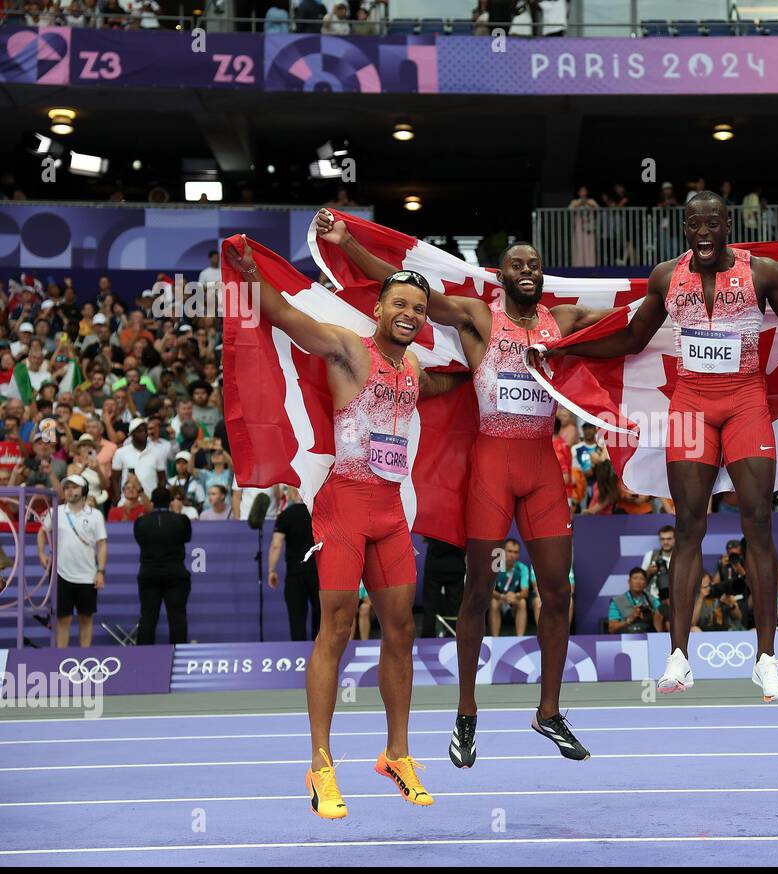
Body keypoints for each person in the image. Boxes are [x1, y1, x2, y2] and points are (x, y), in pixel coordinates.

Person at [534, 190, 778, 704]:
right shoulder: (666, 276)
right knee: (689, 524)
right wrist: (564, 349)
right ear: (686, 228)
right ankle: (679, 658)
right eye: (693, 223)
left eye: (711, 222)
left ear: (726, 226)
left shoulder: (761, 274)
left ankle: (766, 661)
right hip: (692, 405)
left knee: (757, 520)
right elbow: (630, 339)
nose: (702, 231)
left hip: (745, 404)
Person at [317, 209, 608, 764]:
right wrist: (348, 241)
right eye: (515, 263)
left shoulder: (562, 321)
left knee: (558, 591)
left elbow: (629, 322)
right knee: (475, 592)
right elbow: (405, 288)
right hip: (492, 462)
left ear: (543, 274)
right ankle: (466, 714)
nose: (526, 269)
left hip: (541, 464)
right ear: (500, 276)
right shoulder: (479, 315)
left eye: (534, 263)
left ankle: (548, 711)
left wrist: (684, 301)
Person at [226, 235, 467, 819]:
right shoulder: (346, 349)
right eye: (400, 305)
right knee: (335, 629)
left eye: (418, 308)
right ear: (378, 310)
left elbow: (439, 386)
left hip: (389, 510)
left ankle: (397, 756)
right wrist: (250, 267)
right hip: (342, 506)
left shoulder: (411, 365)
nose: (410, 315)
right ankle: (321, 766)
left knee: (401, 632)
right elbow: (283, 314)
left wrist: (479, 375)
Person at [37, 475, 107, 649]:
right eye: (66, 487)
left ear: (83, 490)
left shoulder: (95, 515)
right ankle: (61, 658)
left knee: (86, 618)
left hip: (88, 576)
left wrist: (101, 571)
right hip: (61, 574)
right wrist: (41, 554)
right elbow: (42, 532)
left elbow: (102, 544)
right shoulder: (56, 512)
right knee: (63, 619)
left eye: (74, 487)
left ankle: (85, 659)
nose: (69, 490)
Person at [134, 486, 192, 645]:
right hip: (176, 574)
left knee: (147, 616)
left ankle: (143, 656)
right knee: (178, 616)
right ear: (170, 502)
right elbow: (187, 537)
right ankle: (180, 653)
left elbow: (140, 540)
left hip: (149, 574)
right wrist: (178, 514)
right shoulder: (181, 520)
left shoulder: (141, 522)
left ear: (151, 503)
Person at [267, 487, 321, 643]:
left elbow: (276, 545)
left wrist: (271, 570)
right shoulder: (319, 513)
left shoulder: (285, 515)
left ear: (293, 493)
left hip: (295, 574)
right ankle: (320, 659)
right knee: (320, 620)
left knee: (297, 619)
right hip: (318, 574)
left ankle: (299, 659)